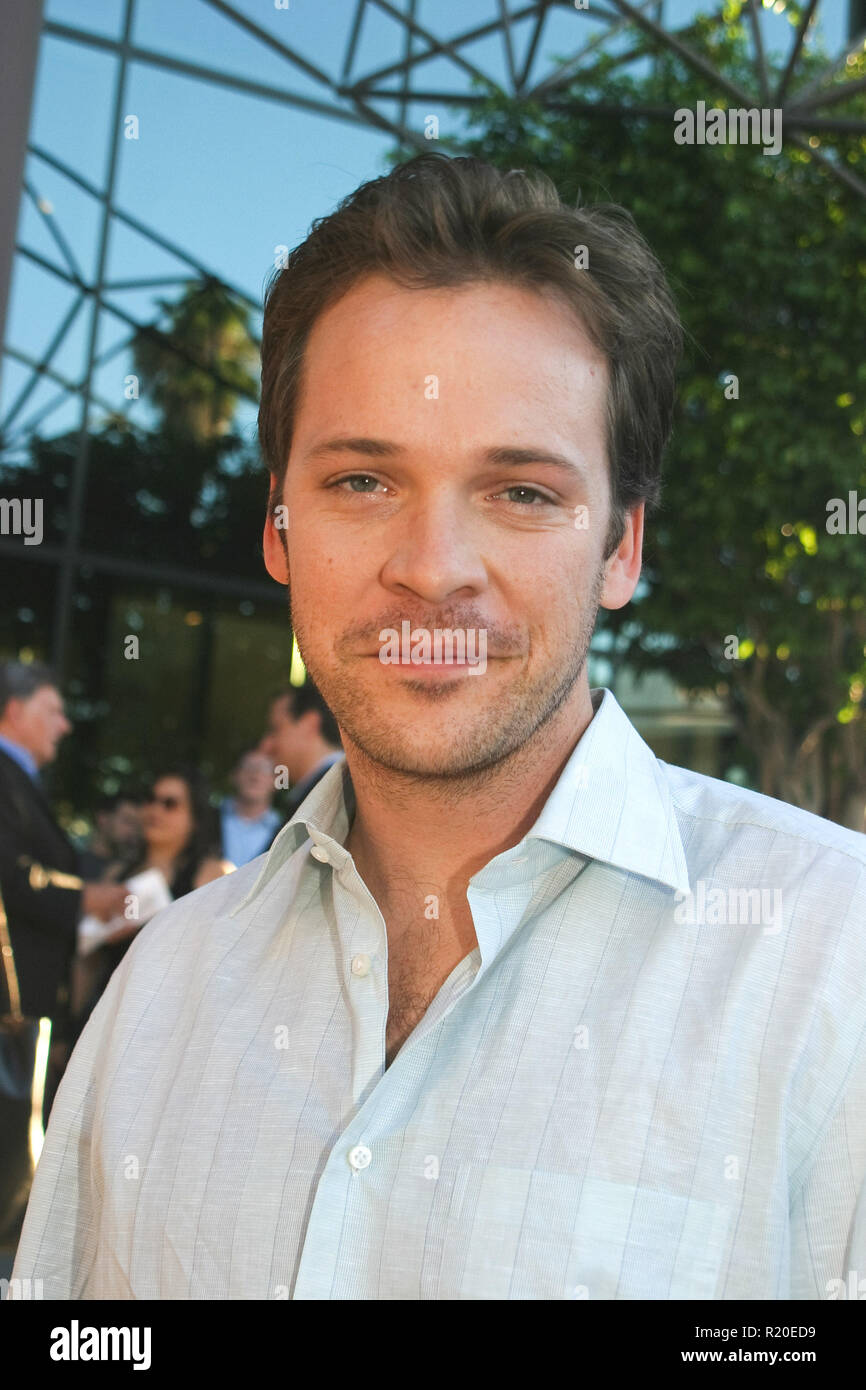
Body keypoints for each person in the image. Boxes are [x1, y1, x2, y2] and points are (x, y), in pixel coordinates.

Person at [11, 154, 866, 1301]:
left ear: (619, 547)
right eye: (363, 481)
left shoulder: (832, 968)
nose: (431, 570)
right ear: (277, 528)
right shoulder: (163, 986)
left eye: (520, 492)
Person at [0, 661, 128, 1036]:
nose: (65, 725)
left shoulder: (17, 777)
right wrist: (86, 895)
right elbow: (9, 871)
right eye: (53, 711)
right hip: (12, 1006)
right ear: (14, 710)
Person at [70, 768, 234, 1033]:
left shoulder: (213, 874)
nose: (155, 810)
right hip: (109, 1019)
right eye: (150, 799)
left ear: (194, 817)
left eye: (170, 804)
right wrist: (69, 1029)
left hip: (174, 1026)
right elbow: (88, 959)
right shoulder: (115, 874)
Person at [258, 680, 343, 833]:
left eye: (275, 729)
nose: (265, 746)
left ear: (309, 724)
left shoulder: (331, 799)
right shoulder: (337, 791)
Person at [219, 749, 280, 866]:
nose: (255, 776)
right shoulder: (207, 820)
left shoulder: (285, 830)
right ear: (234, 775)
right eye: (248, 767)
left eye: (264, 769)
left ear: (275, 781)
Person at [78, 793, 142, 879]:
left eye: (137, 825)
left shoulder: (134, 867)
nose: (133, 831)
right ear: (103, 819)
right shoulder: (73, 863)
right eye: (128, 821)